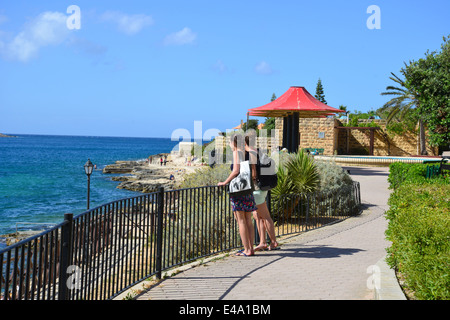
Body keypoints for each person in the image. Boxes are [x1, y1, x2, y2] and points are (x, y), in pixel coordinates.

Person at [218, 133, 256, 257]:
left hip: (238, 190)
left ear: (233, 142)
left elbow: (236, 170)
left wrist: (225, 182)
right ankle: (251, 248)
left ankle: (247, 249)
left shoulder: (237, 152)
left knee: (241, 221)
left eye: (230, 142)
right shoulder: (248, 152)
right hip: (248, 189)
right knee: (248, 220)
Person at [244, 134, 279, 251]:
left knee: (265, 216)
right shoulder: (258, 151)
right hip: (263, 188)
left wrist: (250, 182)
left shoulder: (251, 154)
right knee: (257, 216)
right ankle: (263, 242)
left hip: (256, 188)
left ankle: (273, 242)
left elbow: (254, 173)